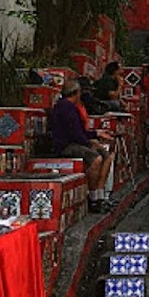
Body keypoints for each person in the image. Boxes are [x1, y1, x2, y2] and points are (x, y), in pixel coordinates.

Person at [49, 81, 116, 212]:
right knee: (96, 159)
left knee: (106, 155)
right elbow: (75, 134)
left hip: (76, 141)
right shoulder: (66, 108)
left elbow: (79, 132)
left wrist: (95, 134)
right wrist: (90, 142)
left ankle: (100, 195)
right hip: (66, 145)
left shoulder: (70, 107)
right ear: (76, 93)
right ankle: (93, 198)